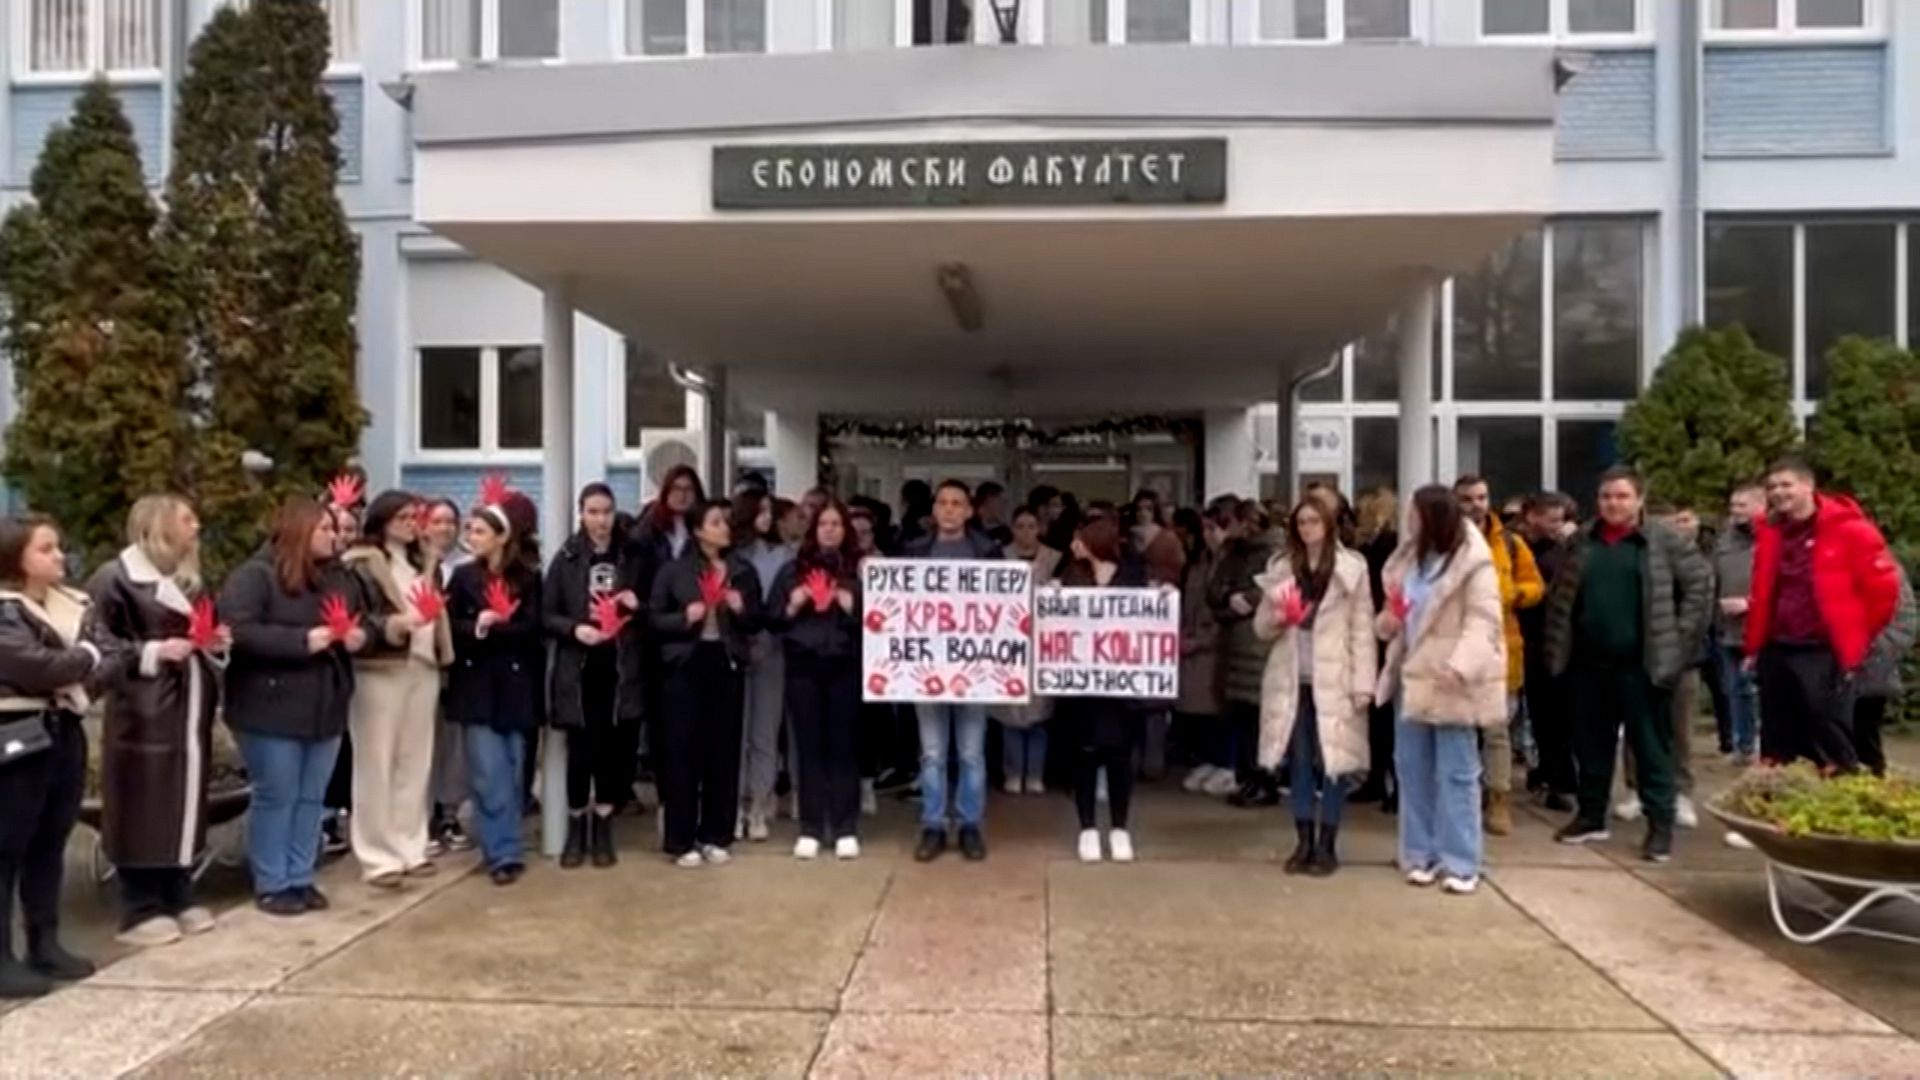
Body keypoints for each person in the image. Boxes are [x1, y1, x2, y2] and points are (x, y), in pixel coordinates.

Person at [1545, 467, 1711, 864]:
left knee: (1652, 750)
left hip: (1644, 665)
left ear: (1639, 499)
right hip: (1588, 664)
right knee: (1591, 746)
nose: (1612, 504)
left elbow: (1698, 591)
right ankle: (1590, 816)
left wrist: (1677, 644)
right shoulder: (1582, 541)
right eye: (1605, 497)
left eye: (1621, 496)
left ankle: (1660, 826)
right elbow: (1562, 598)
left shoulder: (1665, 540)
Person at [86, 497, 227, 949]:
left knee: (183, 799)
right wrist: (151, 652)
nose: (197, 525)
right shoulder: (116, 579)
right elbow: (95, 642)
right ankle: (139, 904)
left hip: (188, 705)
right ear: (160, 525)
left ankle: (178, 889)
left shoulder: (189, 581)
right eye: (187, 519)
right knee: (143, 800)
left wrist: (214, 641)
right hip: (143, 710)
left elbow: (205, 628)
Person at [221, 498, 367, 916]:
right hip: (270, 704)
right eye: (324, 529)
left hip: (326, 702)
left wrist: (360, 636)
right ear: (299, 532)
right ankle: (272, 880)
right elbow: (240, 631)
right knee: (277, 794)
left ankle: (301, 875)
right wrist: (302, 641)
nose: (333, 536)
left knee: (312, 796)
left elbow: (361, 618)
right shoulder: (255, 576)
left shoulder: (336, 576)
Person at [0, 515, 123, 997]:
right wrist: (86, 660)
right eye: (45, 549)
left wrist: (83, 669)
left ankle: (45, 942)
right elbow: (35, 666)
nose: (58, 556)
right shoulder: (6, 612)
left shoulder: (75, 604)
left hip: (64, 727)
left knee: (50, 841)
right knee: (5, 847)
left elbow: (114, 657)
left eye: (58, 547)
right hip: (15, 731)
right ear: (16, 558)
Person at [1376, 487, 1506, 895]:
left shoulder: (1474, 562)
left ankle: (1462, 861)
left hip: (1453, 681)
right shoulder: (1410, 560)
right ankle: (1420, 853)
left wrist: (1461, 665)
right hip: (1413, 678)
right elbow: (1390, 615)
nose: (1407, 519)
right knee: (1411, 770)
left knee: (1457, 773)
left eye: (1413, 513)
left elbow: (1484, 621)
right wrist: (1388, 622)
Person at [1744, 457, 1900, 772]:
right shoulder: (1770, 532)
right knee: (1777, 738)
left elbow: (1884, 591)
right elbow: (1763, 593)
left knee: (1828, 734)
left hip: (1822, 650)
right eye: (1772, 487)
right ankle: (1778, 809)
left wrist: (1854, 636)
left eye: (1786, 484)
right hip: (1777, 646)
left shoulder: (1850, 530)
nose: (1778, 492)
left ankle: (1838, 806)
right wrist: (1754, 646)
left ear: (1808, 486)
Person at [1254, 494, 1376, 878]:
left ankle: (1328, 843)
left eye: (1313, 521)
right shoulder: (1281, 567)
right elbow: (1260, 628)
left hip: (1335, 675)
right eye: (1301, 522)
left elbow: (1362, 629)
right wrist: (1281, 617)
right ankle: (1303, 840)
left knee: (1335, 763)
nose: (1307, 528)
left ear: (1328, 524)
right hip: (1292, 676)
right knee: (1301, 763)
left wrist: (1363, 683)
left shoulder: (1351, 568)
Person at [340, 492, 454, 888]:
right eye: (403, 516)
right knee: (376, 762)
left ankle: (411, 844)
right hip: (380, 668)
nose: (411, 523)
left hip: (422, 665)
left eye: (414, 516)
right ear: (383, 520)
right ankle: (377, 854)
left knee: (415, 761)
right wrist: (395, 624)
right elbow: (358, 614)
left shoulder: (424, 563)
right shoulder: (362, 564)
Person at [650, 499, 763, 868]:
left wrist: (741, 608)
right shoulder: (675, 571)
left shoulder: (741, 570)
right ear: (698, 529)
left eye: (727, 522)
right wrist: (685, 616)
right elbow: (653, 619)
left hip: (726, 660)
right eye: (716, 522)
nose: (724, 528)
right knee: (683, 752)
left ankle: (717, 834)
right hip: (686, 662)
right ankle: (680, 839)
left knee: (723, 751)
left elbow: (756, 622)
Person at [544, 483, 644, 869]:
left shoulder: (631, 555)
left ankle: (603, 824)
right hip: (579, 665)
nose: (600, 521)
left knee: (612, 752)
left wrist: (635, 605)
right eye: (593, 512)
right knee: (579, 753)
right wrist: (574, 629)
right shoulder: (567, 558)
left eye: (606, 512)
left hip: (618, 665)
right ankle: (575, 826)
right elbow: (547, 613)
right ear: (581, 514)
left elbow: (652, 604)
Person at [446, 496, 545, 886]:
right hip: (477, 684)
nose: (472, 536)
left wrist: (501, 626)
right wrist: (478, 626)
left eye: (480, 530)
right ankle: (500, 851)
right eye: (470, 529)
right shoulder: (464, 577)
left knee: (513, 766)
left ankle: (507, 842)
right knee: (488, 771)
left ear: (502, 537)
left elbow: (534, 628)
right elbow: (449, 625)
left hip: (516, 683)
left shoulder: (527, 577)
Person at [904, 479, 1002, 863]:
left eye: (956, 502)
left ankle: (969, 825)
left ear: (969, 510)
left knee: (971, 753)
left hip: (973, 669)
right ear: (934, 509)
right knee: (931, 753)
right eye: (942, 502)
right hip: (925, 667)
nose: (948, 509)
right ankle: (932, 824)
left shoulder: (988, 553)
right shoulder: (914, 552)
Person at [769, 500, 864, 859]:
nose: (829, 529)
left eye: (836, 524)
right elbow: (773, 617)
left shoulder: (857, 570)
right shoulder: (793, 569)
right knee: (807, 748)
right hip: (804, 666)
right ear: (813, 529)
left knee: (843, 747)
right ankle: (810, 826)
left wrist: (849, 604)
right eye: (823, 523)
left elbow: (880, 620)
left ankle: (845, 826)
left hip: (844, 665)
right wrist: (794, 603)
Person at [1453, 475, 1544, 838]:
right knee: (1459, 729)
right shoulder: (1447, 539)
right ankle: (1464, 797)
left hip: (1501, 645)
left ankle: (1499, 798)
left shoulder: (1510, 542)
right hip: (1458, 645)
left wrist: (1513, 595)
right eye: (1467, 498)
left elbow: (1536, 585)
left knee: (1497, 731)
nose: (1476, 504)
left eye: (1481, 497)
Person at [1059, 515, 1149, 863]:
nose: (1072, 545)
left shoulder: (1133, 575)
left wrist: (1161, 596)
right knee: (1084, 754)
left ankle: (1120, 827)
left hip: (1121, 685)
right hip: (1084, 685)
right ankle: (1087, 828)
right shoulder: (1072, 574)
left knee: (1120, 757)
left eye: (1078, 538)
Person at [1617, 503, 1711, 830]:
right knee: (1635, 727)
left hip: (1682, 658)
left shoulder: (1689, 562)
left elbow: (1697, 606)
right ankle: (1634, 788)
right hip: (1639, 656)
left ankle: (1682, 792)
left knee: (1679, 728)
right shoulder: (1637, 555)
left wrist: (1681, 642)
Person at [731, 491, 796, 842]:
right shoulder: (729, 555)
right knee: (735, 732)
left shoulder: (785, 555)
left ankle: (759, 804)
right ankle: (736, 804)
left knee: (764, 733)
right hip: (736, 651)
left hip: (773, 650)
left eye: (771, 511)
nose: (768, 517)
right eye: (762, 510)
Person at [1209, 499, 1281, 807]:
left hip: (1259, 647)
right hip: (1234, 644)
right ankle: (1247, 777)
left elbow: (1277, 590)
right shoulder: (1234, 554)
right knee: (1241, 716)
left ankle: (1265, 779)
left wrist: (1248, 599)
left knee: (1259, 719)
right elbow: (1214, 591)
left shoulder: (1276, 553)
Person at [1517, 492, 1578, 812]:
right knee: (1539, 714)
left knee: (1560, 716)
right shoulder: (1518, 546)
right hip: (1527, 638)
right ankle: (1546, 771)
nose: (1558, 527)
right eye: (1552, 520)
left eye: (1562, 520)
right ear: (1532, 517)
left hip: (1556, 641)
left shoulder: (1567, 550)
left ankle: (1562, 779)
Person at [996, 505, 1062, 795]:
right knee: (1010, 716)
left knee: (1039, 717)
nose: (1025, 532)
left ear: (1040, 528)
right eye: (1020, 526)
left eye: (1031, 526)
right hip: (1009, 643)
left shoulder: (1055, 559)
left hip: (1043, 643)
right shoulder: (1000, 557)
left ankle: (1035, 773)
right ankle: (1013, 772)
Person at [421, 497, 473, 855]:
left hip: (460, 662)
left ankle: (450, 811)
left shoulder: (467, 565)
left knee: (454, 745)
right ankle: (422, 818)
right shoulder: (414, 564)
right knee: (424, 744)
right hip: (422, 663)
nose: (444, 528)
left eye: (451, 521)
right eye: (437, 521)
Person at [1350, 486, 1399, 810]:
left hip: (1382, 633)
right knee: (1382, 715)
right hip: (1380, 633)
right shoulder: (1382, 548)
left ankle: (1384, 779)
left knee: (1385, 716)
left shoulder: (1381, 549)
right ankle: (1382, 778)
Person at [1176, 502, 1229, 796]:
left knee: (1219, 709)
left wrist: (1199, 641)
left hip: (1215, 647)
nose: (1208, 535)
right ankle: (1210, 759)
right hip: (1193, 640)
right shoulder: (1198, 564)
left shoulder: (1230, 564)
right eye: (1205, 528)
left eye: (1214, 528)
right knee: (1200, 711)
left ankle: (1227, 763)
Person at [1709, 483, 1763, 766]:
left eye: (1742, 505)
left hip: (1763, 630)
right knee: (1735, 689)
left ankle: (1765, 747)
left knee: (1762, 690)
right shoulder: (1725, 542)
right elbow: (1713, 579)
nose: (1735, 511)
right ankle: (1743, 747)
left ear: (1761, 506)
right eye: (1733, 505)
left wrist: (1750, 603)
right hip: (1728, 631)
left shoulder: (1772, 540)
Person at [1853, 565, 1916, 777]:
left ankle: (1871, 790)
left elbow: (1905, 622)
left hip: (1872, 669)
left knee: (1866, 741)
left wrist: (1871, 648)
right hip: (1828, 669)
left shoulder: (1886, 569)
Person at [973, 482, 1014, 546]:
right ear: (990, 499)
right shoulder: (967, 528)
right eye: (1002, 501)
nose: (1005, 506)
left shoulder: (1005, 533)